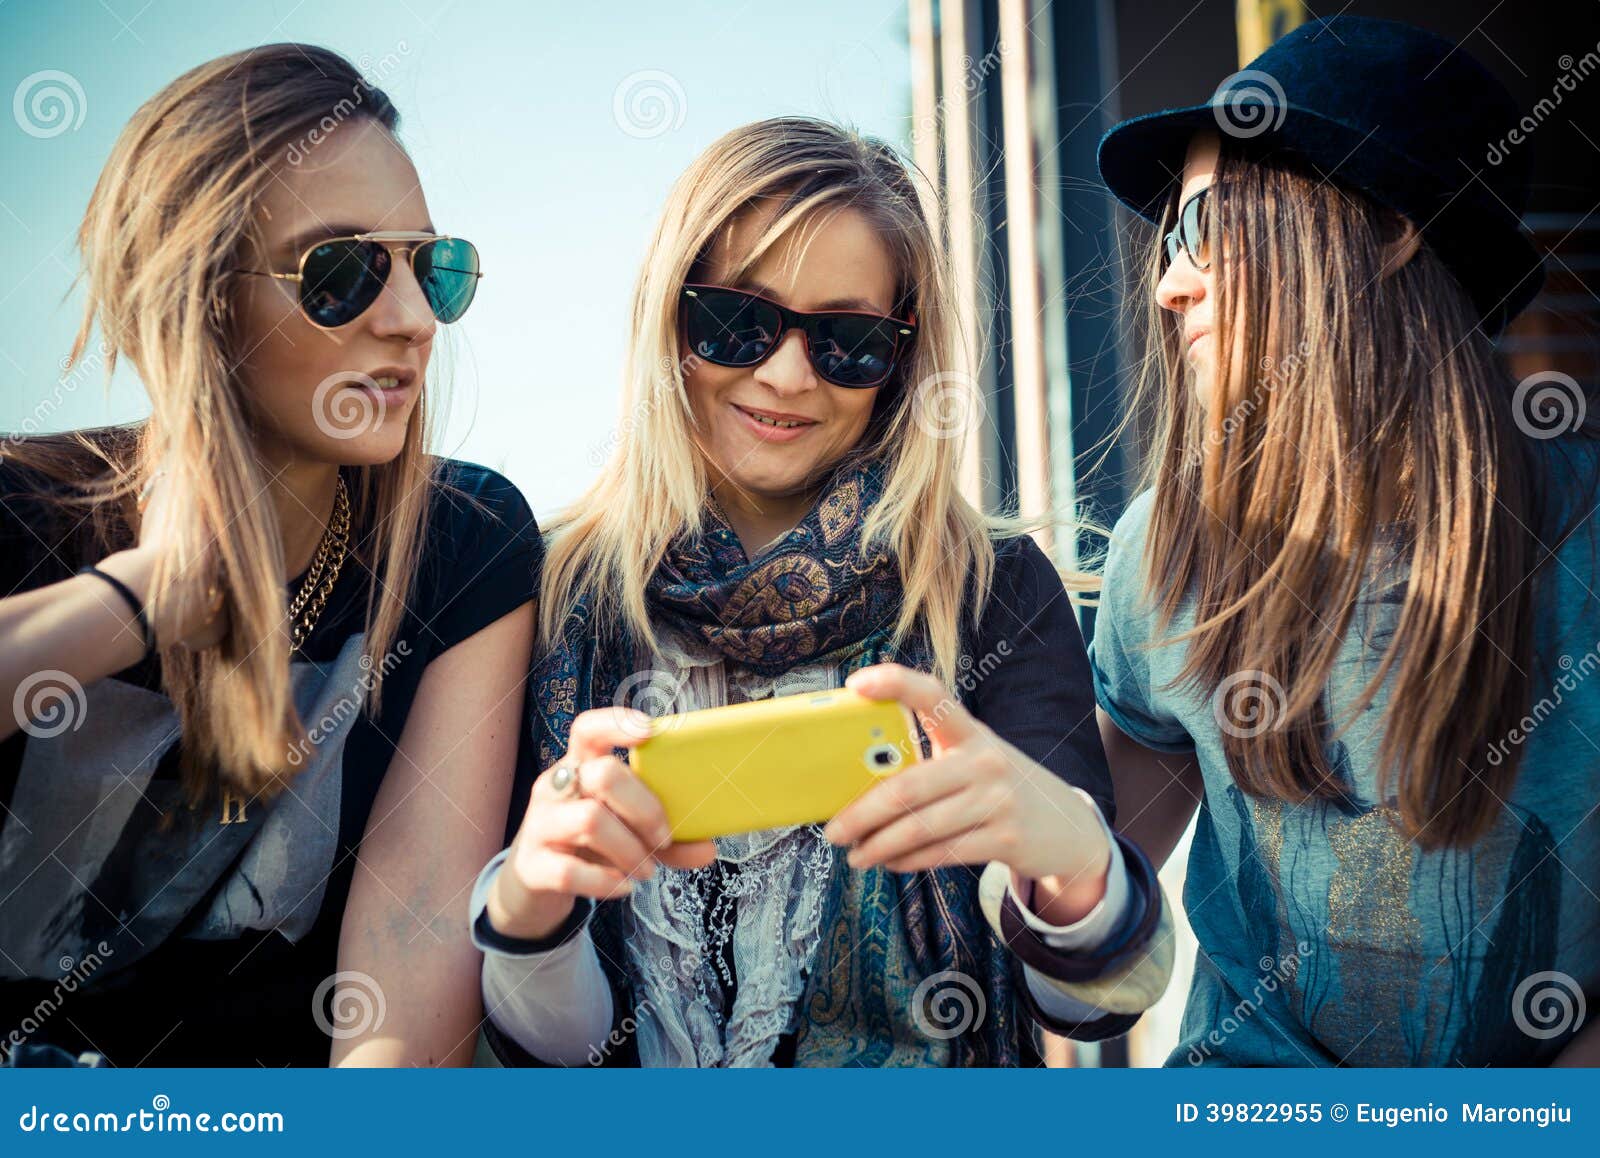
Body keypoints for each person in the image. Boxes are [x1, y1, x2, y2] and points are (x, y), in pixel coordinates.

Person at [472, 117, 1171, 1067]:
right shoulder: (550, 594)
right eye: (737, 321)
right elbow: (564, 1053)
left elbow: (1090, 1009)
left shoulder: (988, 589)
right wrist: (530, 905)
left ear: (902, 361)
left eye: (847, 339)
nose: (788, 374)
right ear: (666, 320)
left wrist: (1077, 864)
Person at [0, 45, 539, 1067]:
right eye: (340, 272)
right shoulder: (23, 512)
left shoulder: (463, 544)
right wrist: (140, 599)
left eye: (434, 266)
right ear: (203, 296)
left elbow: (405, 981)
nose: (412, 320)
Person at [1092, 16, 1599, 1066]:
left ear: (1385, 229)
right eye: (1163, 242)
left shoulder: (1581, 538)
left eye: (1206, 231)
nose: (1166, 283)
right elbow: (1087, 918)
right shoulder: (1161, 549)